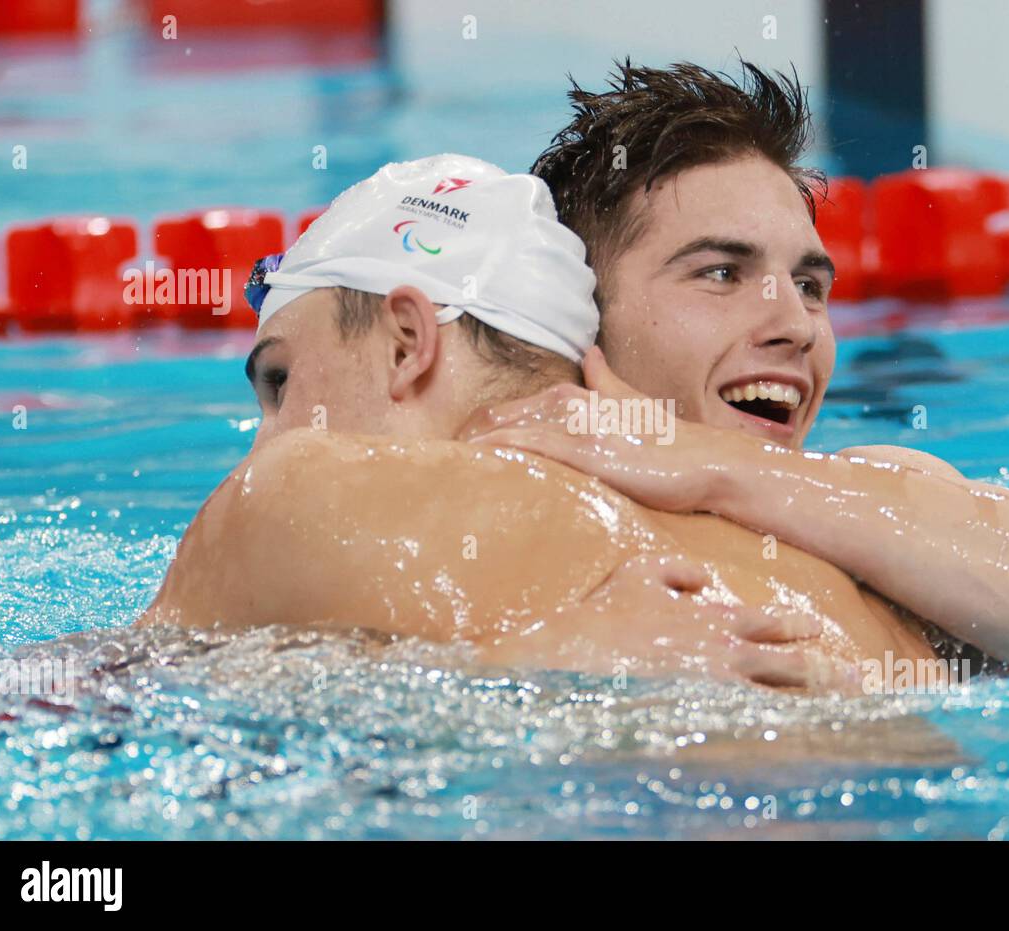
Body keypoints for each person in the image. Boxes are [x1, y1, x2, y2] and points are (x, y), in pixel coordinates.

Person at [138, 154, 948, 694]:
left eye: (280, 381)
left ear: (406, 342)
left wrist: (536, 667)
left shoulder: (294, 494)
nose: (266, 439)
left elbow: (64, 706)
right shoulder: (875, 528)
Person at [460, 61, 1009, 668]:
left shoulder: (881, 491)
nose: (796, 327)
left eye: (809, 286)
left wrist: (708, 463)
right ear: (584, 315)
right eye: (721, 273)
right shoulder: (500, 515)